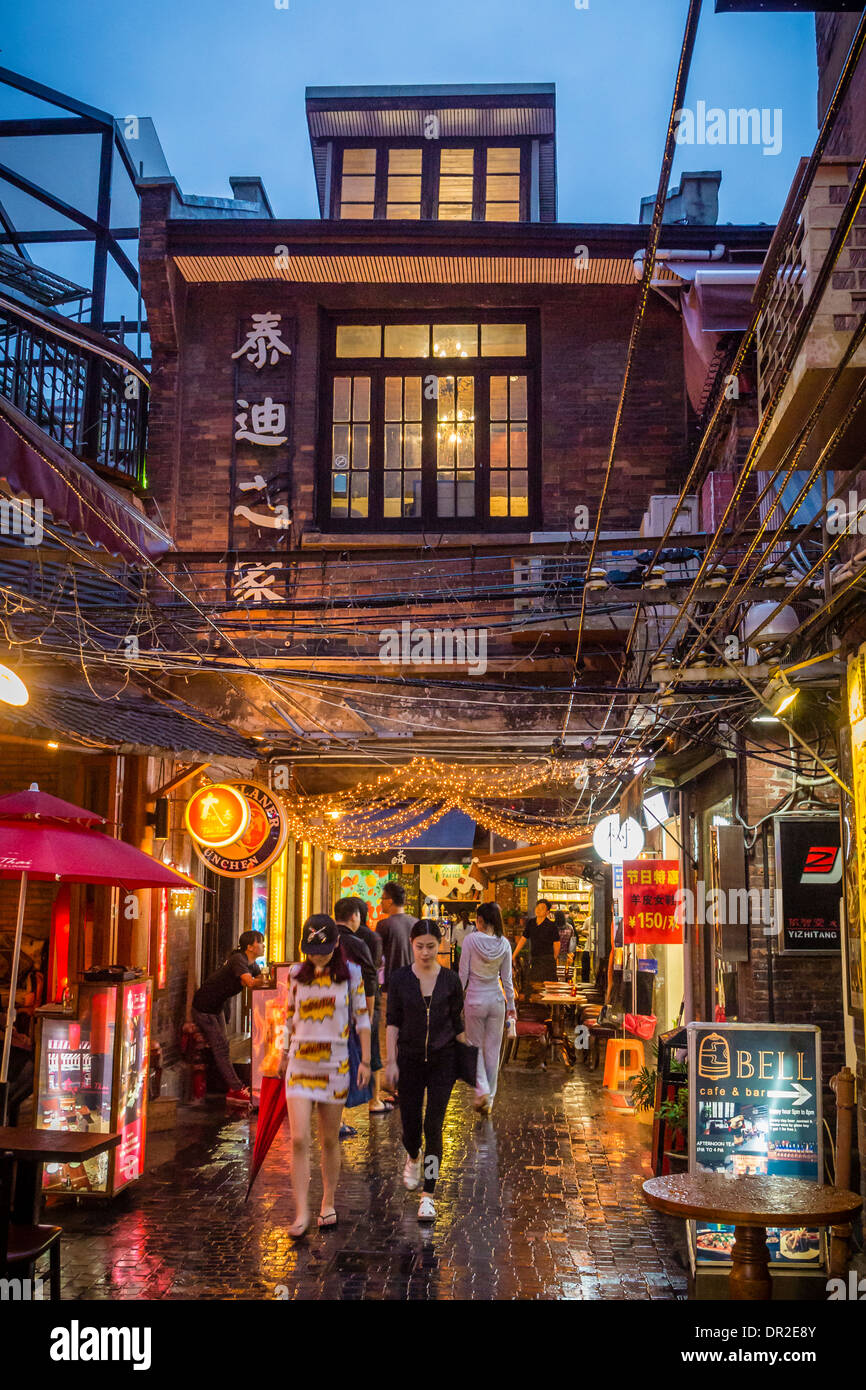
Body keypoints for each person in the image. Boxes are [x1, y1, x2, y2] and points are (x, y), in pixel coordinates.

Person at [278, 915, 371, 1238]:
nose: (316, 956)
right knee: (300, 1139)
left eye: (323, 950)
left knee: (330, 1138)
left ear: (335, 946)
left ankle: (327, 1201)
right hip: (301, 1065)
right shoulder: (295, 975)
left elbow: (362, 1018)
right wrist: (282, 1052)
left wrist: (367, 1061)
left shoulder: (351, 975)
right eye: (311, 950)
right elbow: (289, 1015)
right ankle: (302, 1210)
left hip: (335, 1064)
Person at [385, 920, 466, 1224]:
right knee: (410, 1125)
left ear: (440, 944)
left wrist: (465, 1061)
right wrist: (390, 1060)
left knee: (434, 1126)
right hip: (409, 1059)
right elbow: (392, 1022)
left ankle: (428, 1195)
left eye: (431, 946)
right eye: (420, 946)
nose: (426, 952)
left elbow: (458, 1025)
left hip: (443, 1061)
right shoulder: (400, 979)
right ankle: (413, 1155)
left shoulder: (450, 980)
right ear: (411, 944)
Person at [191, 930, 267, 1105]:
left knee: (223, 1046)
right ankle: (235, 1088)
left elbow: (257, 978)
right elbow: (249, 981)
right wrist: (265, 980)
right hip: (204, 1007)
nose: (263, 945)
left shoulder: (252, 965)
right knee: (221, 1048)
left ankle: (232, 1086)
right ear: (250, 947)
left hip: (216, 1008)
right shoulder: (238, 959)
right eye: (260, 942)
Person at [333, 897, 393, 1117]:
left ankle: (336, 1117)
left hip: (333, 1008)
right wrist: (367, 1012)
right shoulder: (363, 940)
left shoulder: (327, 939)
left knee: (337, 1058)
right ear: (355, 916)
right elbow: (370, 976)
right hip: (360, 1006)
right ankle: (373, 1100)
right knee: (370, 1051)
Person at [459, 902, 515, 1115]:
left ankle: (481, 1089)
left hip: (474, 1000)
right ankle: (489, 1100)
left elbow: (463, 974)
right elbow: (507, 980)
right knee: (493, 1052)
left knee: (474, 1048)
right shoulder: (504, 944)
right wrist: (512, 1007)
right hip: (497, 1002)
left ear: (480, 920)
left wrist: (456, 1000)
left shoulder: (470, 941)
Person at [377, 880, 416, 1099]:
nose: (381, 902)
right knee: (408, 1037)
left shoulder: (384, 926)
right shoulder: (416, 923)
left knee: (389, 1036)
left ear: (390, 901)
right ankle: (407, 1085)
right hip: (414, 987)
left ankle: (392, 1083)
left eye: (382, 898)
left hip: (391, 988)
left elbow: (377, 958)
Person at [512, 898, 560, 995]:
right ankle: (538, 1008)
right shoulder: (531, 923)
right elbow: (523, 939)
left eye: (542, 908)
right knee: (534, 988)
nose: (538, 909)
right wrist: (513, 955)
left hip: (547, 960)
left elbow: (557, 944)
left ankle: (549, 1009)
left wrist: (553, 958)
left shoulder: (551, 925)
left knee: (549, 989)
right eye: (537, 907)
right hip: (535, 960)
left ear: (547, 912)